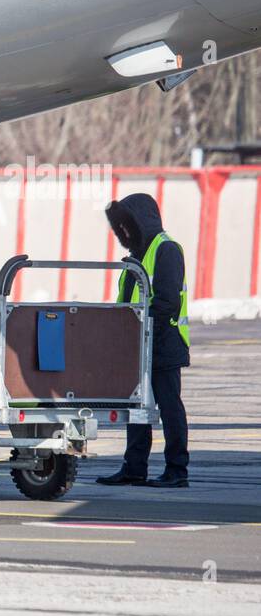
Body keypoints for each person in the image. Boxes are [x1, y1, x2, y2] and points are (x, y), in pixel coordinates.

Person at [97, 192, 191, 488]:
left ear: (142, 221)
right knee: (137, 407)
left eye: (127, 224)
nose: (123, 232)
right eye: (120, 227)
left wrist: (147, 335)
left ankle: (177, 470)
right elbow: (125, 304)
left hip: (164, 342)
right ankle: (134, 467)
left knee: (168, 406)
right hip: (137, 345)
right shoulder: (134, 258)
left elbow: (166, 302)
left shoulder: (167, 250)